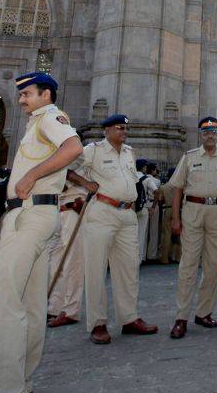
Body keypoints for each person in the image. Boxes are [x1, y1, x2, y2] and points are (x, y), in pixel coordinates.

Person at [0, 72, 82, 393]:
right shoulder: (41, 120)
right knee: (32, 304)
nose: (21, 100)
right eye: (20, 94)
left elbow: (73, 147)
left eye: (27, 94)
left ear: (46, 94)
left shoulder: (49, 117)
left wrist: (31, 175)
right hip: (41, 214)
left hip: (28, 216)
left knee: (7, 304)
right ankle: (19, 383)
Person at [71, 114, 157, 345]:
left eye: (126, 128)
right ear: (107, 130)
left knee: (129, 269)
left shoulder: (129, 152)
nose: (124, 131)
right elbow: (68, 169)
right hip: (102, 212)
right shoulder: (93, 150)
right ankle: (98, 324)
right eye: (120, 128)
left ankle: (129, 318)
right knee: (96, 269)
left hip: (127, 214)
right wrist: (86, 184)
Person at [167, 117, 217, 339]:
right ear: (201, 135)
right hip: (193, 211)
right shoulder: (189, 158)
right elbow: (178, 188)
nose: (210, 135)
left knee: (213, 265)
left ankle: (204, 312)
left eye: (214, 132)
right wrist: (175, 218)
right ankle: (181, 317)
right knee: (188, 265)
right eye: (206, 132)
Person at [46, 172, 87, 328]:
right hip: (57, 209)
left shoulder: (79, 155)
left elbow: (63, 182)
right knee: (55, 262)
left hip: (73, 208)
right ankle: (55, 306)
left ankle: (70, 310)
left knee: (73, 261)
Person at [135, 159, 160, 265]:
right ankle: (139, 258)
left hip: (131, 208)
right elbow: (156, 192)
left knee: (132, 234)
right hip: (143, 208)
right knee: (141, 234)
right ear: (143, 167)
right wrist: (153, 207)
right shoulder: (147, 179)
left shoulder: (131, 176)